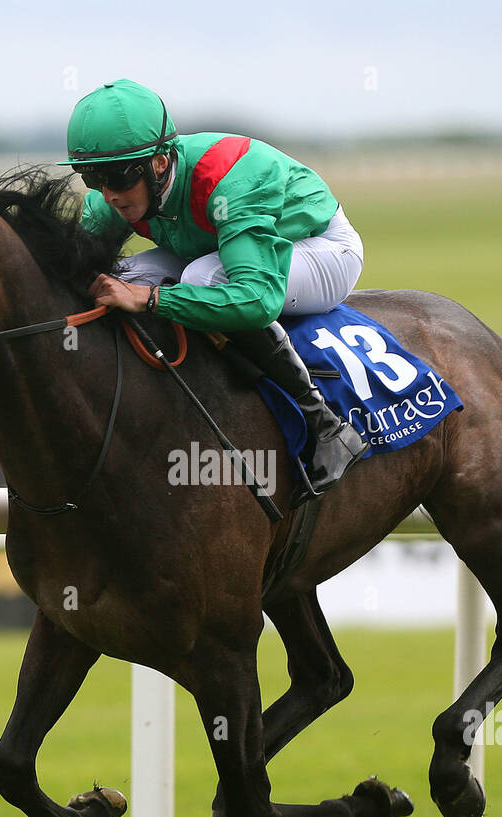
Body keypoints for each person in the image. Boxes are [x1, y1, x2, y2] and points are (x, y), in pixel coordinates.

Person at [57, 79, 368, 506]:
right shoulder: (119, 195)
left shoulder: (229, 179)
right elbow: (70, 269)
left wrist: (151, 301)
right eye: (91, 177)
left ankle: (327, 424)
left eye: (118, 176)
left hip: (321, 247)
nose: (108, 194)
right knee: (123, 275)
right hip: (219, 246)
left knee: (200, 278)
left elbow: (258, 299)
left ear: (161, 163)